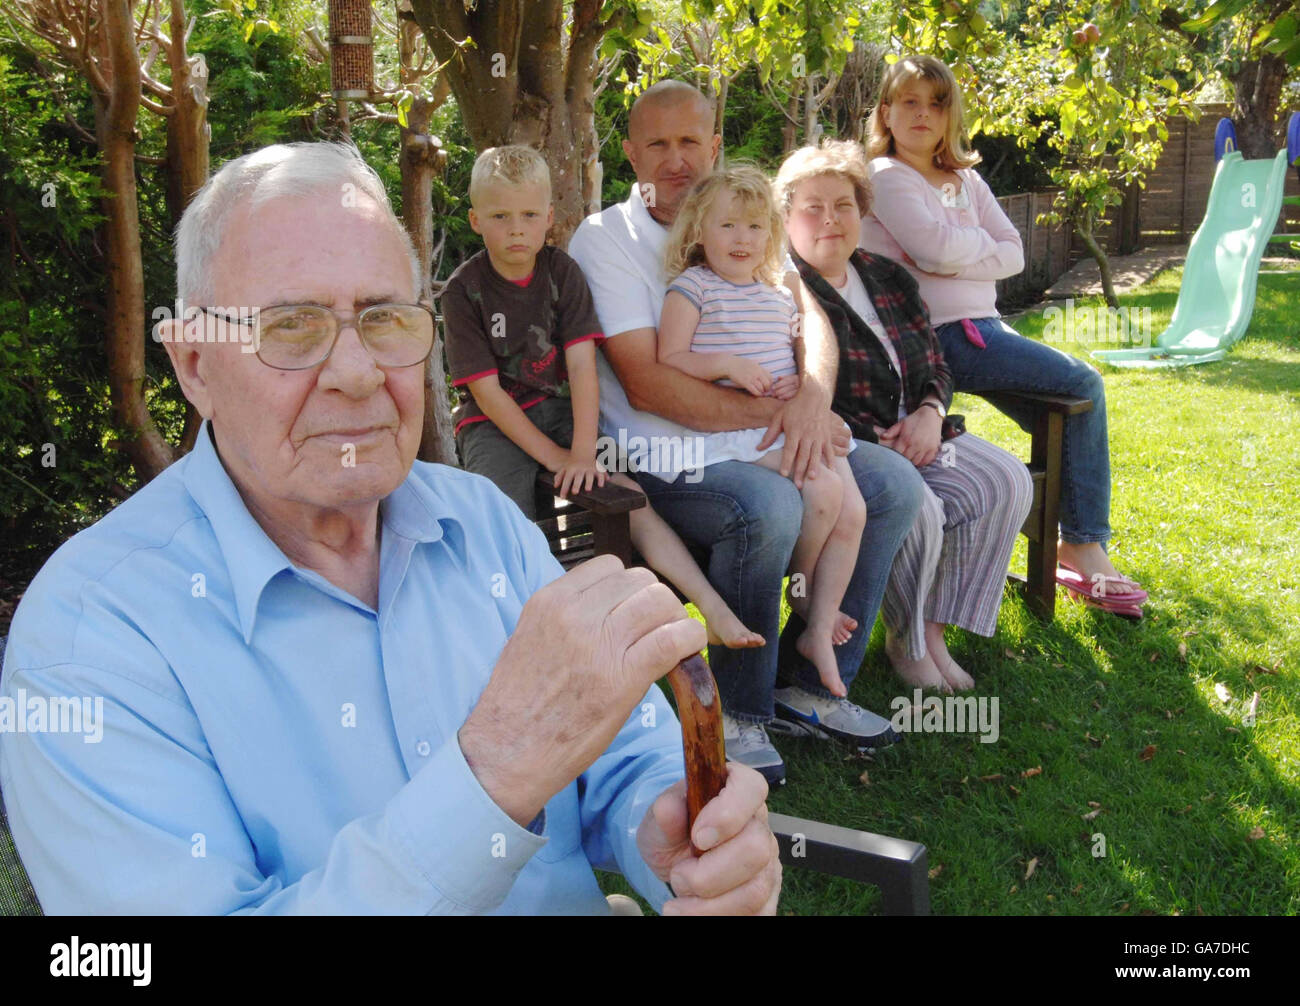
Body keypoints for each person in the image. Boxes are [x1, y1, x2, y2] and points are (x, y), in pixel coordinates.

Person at [0, 141, 780, 915]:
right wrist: (495, 774)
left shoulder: (483, 524)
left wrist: (674, 833)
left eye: (384, 319)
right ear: (196, 363)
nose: (359, 371)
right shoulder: (89, 641)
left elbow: (626, 754)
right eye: (293, 327)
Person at [568, 80, 925, 785]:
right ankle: (739, 708)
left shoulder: (741, 212)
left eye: (690, 141)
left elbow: (808, 318)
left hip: (765, 428)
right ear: (633, 154)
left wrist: (815, 400)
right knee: (769, 508)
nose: (677, 160)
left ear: (715, 145)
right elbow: (648, 381)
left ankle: (812, 683)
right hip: (661, 451)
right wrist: (782, 417)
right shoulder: (606, 240)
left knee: (893, 486)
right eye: (659, 144)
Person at [858, 54, 1147, 617]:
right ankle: (1082, 544)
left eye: (935, 105)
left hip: (981, 330)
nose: (922, 115)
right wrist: (968, 249)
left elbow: (1013, 253)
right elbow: (933, 251)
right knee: (1082, 382)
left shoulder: (964, 178)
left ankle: (1071, 544)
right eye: (909, 103)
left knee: (1063, 407)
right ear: (886, 113)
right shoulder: (887, 176)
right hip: (938, 337)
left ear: (950, 117)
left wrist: (954, 250)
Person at [445, 144, 761, 648]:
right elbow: (485, 392)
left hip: (567, 412)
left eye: (529, 215)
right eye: (500, 216)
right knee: (506, 517)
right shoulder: (464, 291)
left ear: (549, 217)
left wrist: (584, 450)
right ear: (475, 220)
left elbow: (581, 365)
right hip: (493, 422)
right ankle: (518, 636)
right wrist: (556, 458)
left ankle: (711, 608)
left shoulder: (561, 273)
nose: (517, 229)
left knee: (629, 497)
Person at [776, 140, 1033, 692]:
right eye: (812, 207)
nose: (830, 219)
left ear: (863, 212)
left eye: (843, 205)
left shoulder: (887, 277)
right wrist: (886, 439)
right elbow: (800, 389)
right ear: (785, 217)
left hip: (919, 429)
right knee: (918, 505)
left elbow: (935, 361)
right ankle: (908, 641)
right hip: (852, 445)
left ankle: (931, 631)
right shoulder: (782, 290)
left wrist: (929, 410)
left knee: (1005, 481)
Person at [656, 163, 866, 696]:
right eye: (727, 226)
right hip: (743, 433)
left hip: (795, 420)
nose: (742, 239)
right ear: (698, 233)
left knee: (855, 510)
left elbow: (800, 350)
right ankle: (798, 591)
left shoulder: (776, 288)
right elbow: (672, 356)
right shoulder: (693, 288)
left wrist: (806, 392)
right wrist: (726, 364)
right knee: (823, 491)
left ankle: (817, 628)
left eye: (754, 227)